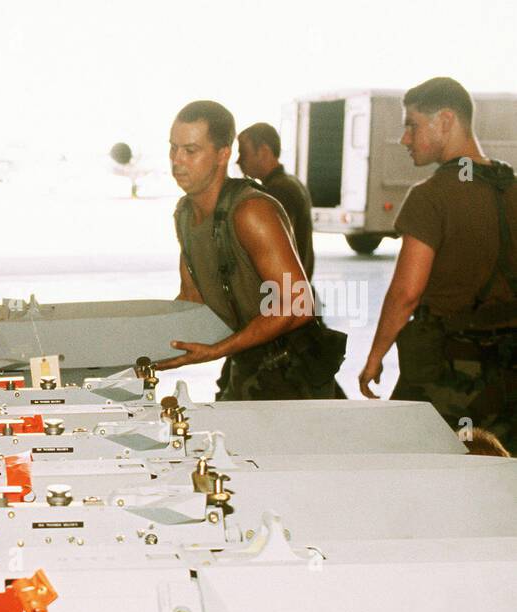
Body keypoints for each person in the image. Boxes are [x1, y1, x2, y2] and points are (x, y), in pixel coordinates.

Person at [358, 77, 516, 446]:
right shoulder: (510, 187)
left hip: (448, 376)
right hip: (508, 374)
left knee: (417, 467)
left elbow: (406, 294)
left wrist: (375, 357)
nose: (405, 139)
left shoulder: (431, 196)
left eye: (412, 125)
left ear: (445, 121)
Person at [158, 100, 345, 399]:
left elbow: (297, 305)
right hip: (247, 362)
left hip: (290, 372)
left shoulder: (251, 211)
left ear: (222, 154)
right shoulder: (185, 214)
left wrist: (215, 351)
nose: (177, 160)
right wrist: (141, 345)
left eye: (190, 151)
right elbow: (192, 300)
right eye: (173, 148)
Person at [237, 122, 315, 281]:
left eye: (243, 153)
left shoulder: (278, 192)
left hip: (284, 294)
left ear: (264, 151)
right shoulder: (290, 183)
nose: (238, 161)